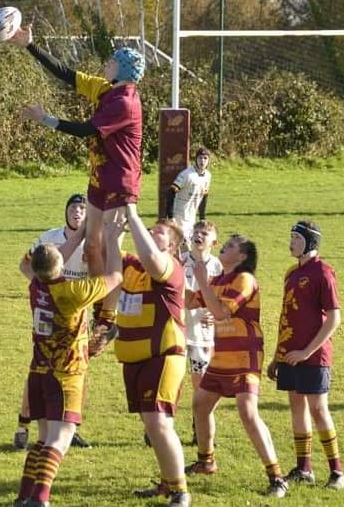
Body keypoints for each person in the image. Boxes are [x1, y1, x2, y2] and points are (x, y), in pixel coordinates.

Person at [8, 25, 144, 282]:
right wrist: (30, 46)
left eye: (112, 61)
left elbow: (86, 130)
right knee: (91, 247)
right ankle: (96, 301)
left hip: (120, 181)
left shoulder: (125, 102)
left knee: (108, 246)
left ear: (124, 69)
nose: (107, 64)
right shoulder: (106, 89)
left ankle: (107, 314)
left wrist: (45, 119)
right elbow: (66, 74)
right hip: (99, 177)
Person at [13, 221, 124, 507]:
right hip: (65, 374)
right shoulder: (74, 293)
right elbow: (114, 276)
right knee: (61, 438)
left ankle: (24, 495)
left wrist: (84, 229)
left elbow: (49, 258)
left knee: (42, 440)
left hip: (38, 370)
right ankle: (40, 499)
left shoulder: (36, 285)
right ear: (61, 264)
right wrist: (113, 239)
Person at [99, 205, 190, 507]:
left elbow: (152, 259)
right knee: (153, 423)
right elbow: (110, 271)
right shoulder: (133, 265)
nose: (152, 233)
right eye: (151, 230)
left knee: (158, 422)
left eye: (159, 233)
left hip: (163, 353)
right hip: (134, 355)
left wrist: (133, 214)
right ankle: (168, 482)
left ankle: (180, 491)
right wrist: (112, 236)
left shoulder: (170, 266)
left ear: (172, 245)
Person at [185, 233, 289, 498]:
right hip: (221, 357)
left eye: (231, 246)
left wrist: (200, 280)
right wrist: (168, 274)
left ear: (241, 257)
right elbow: (191, 301)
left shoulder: (245, 279)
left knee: (248, 412)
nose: (225, 247)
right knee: (200, 404)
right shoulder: (218, 280)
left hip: (245, 355)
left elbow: (220, 312)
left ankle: (276, 477)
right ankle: (206, 461)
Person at [266, 220, 344, 490]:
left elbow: (334, 318)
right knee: (297, 407)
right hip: (290, 354)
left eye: (297, 239)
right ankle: (304, 468)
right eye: (290, 237)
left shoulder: (323, 273)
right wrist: (279, 356)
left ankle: (337, 472)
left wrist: (306, 351)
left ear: (311, 243)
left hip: (313, 356)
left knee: (318, 409)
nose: (291, 242)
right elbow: (287, 317)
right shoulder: (291, 272)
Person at [14, 193, 94, 450]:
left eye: (82, 209)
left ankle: (71, 426)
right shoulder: (49, 238)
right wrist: (42, 288)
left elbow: (95, 277)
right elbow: (24, 265)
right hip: (49, 314)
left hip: (75, 315)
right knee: (39, 368)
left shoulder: (91, 242)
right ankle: (23, 426)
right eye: (73, 208)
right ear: (65, 211)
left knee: (77, 371)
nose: (77, 212)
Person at [180, 220, 223, 445]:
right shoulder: (180, 262)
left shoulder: (217, 267)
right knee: (173, 381)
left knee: (200, 384)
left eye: (204, 233)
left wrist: (214, 315)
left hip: (202, 336)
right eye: (196, 232)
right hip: (177, 331)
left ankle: (199, 430)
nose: (199, 236)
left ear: (213, 242)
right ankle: (158, 426)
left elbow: (225, 302)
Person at [166, 147, 213, 247]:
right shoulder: (187, 175)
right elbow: (170, 193)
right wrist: (171, 216)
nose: (202, 161)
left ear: (208, 161)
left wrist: (202, 218)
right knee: (184, 247)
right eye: (200, 158)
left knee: (189, 249)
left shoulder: (208, 176)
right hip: (179, 217)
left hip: (191, 219)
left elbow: (204, 197)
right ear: (195, 159)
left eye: (205, 158)